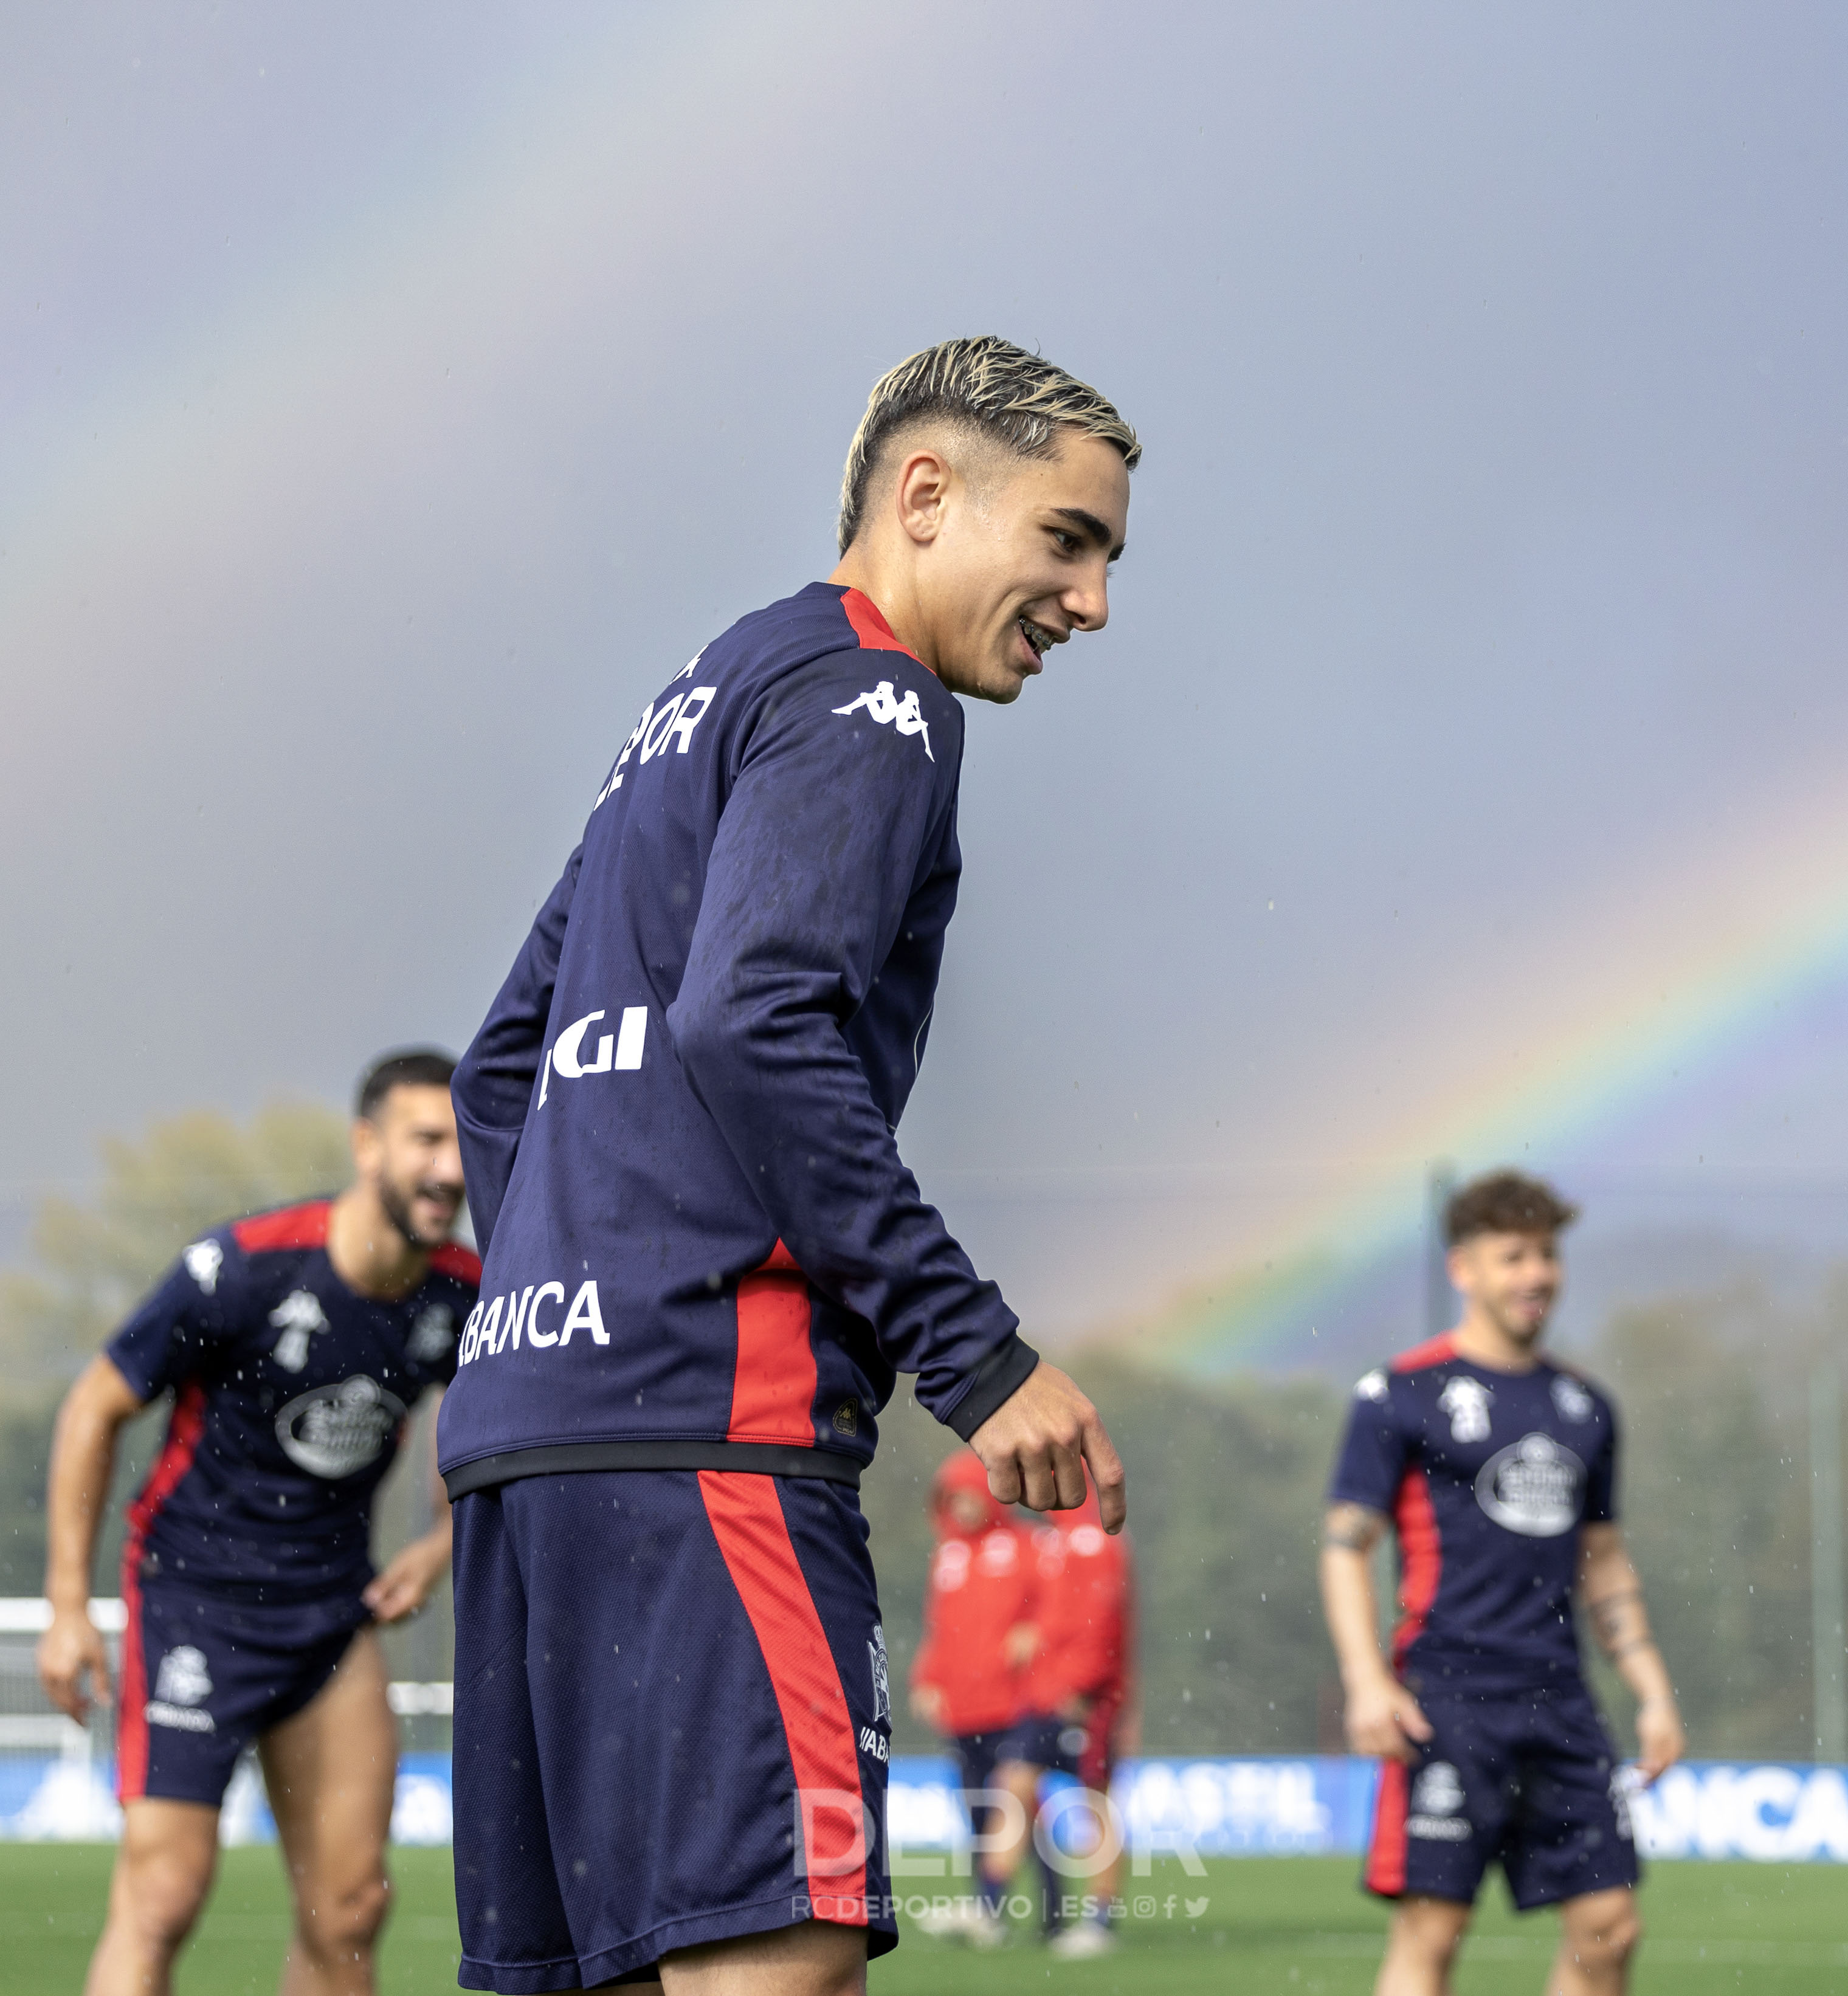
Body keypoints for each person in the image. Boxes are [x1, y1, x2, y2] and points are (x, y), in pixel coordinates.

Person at [443, 335, 1138, 1995]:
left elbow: (496, 1071)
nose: (1093, 601)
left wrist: (566, 1297)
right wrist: (972, 1353)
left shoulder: (703, 690)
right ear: (923, 495)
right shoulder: (869, 694)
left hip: (525, 1444)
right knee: (777, 1955)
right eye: (1067, 539)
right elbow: (756, 1018)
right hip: (710, 1442)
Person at [38, 1048, 478, 1996]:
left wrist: (444, 1543)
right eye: (426, 1140)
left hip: (329, 1615)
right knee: (163, 1895)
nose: (449, 1168)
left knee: (352, 1909)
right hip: (194, 1603)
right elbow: (93, 1408)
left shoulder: (463, 1294)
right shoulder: (244, 1267)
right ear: (366, 1145)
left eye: (462, 1142)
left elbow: (488, 1427)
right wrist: (67, 1604)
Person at [1321, 1170, 1684, 1996]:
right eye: (1512, 1256)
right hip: (1446, 1695)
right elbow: (1346, 1545)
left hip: (1559, 1699)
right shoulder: (1397, 1396)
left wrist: (1652, 1690)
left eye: (1547, 1255)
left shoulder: (1584, 1406)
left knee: (1609, 1928)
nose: (1535, 1275)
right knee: (1434, 1932)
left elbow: (1603, 1558)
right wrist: (1365, 1681)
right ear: (1464, 1270)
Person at [905, 1452, 1041, 1950]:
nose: (961, 1508)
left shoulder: (1026, 1544)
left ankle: (1048, 1914)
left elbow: (1054, 1606)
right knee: (980, 1816)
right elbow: (937, 1628)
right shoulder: (948, 1556)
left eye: (967, 1496)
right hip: (963, 1710)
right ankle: (989, 1913)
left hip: (1013, 1706)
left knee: (1020, 1810)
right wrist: (927, 1679)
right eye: (952, 1499)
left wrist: (1034, 1633)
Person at [1024, 1488, 1134, 1960]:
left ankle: (1100, 1920)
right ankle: (1010, 1906)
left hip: (1084, 1699)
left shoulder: (1092, 1539)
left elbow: (1101, 1621)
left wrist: (1081, 1685)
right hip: (1049, 1693)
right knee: (1017, 1784)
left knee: (1095, 1805)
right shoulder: (1057, 1539)